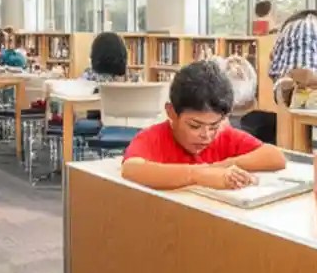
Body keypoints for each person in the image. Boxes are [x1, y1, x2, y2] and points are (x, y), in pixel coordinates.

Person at [121, 60, 287, 190]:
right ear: (171, 112)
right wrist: (198, 174)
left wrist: (221, 166)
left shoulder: (223, 135)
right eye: (194, 126)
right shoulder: (154, 137)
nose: (206, 135)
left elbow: (276, 157)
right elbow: (131, 168)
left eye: (214, 126)